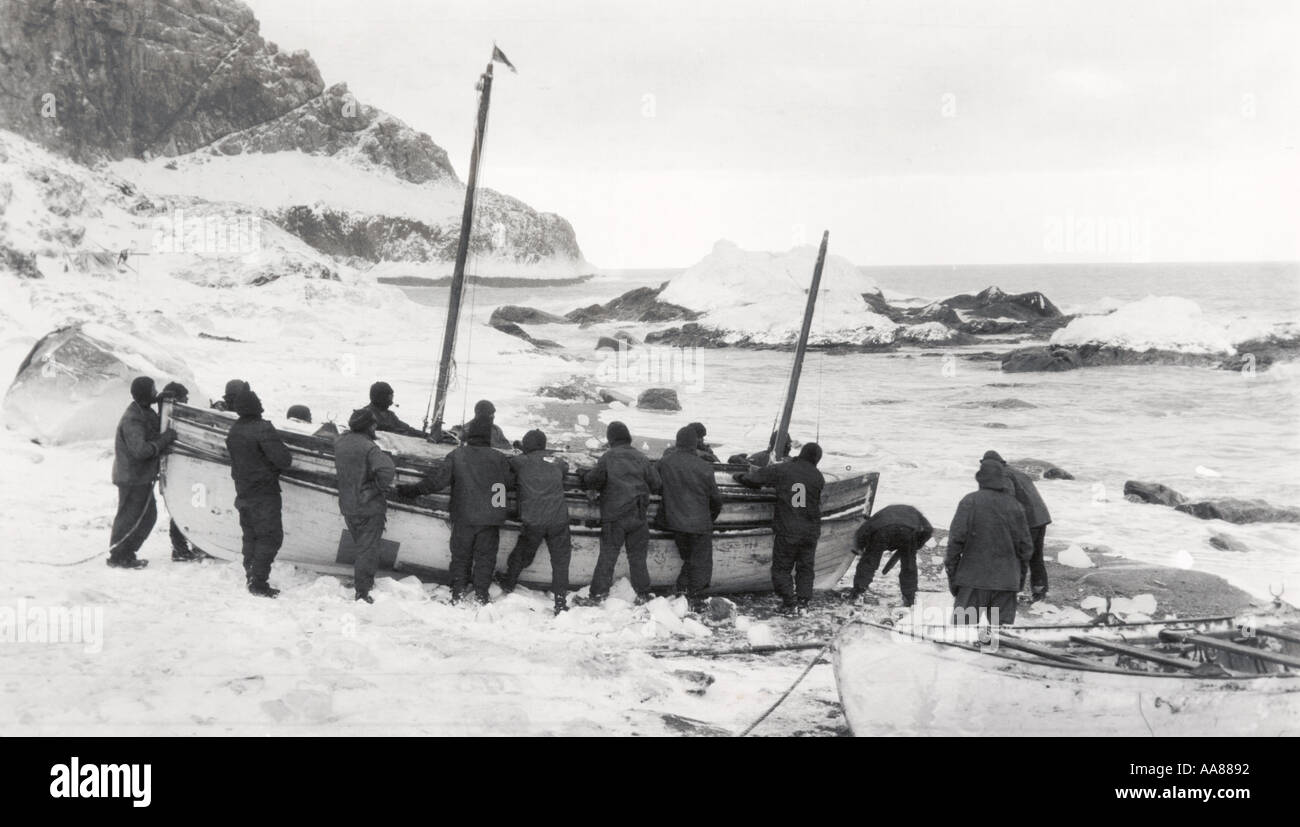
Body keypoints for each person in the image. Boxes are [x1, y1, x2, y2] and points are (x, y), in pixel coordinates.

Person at [397, 418, 514, 604]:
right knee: (485, 558)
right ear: (488, 437)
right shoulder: (500, 458)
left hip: (464, 515)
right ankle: (481, 596)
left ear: (468, 435)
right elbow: (508, 483)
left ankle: (458, 592)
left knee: (461, 556)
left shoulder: (457, 455)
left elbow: (437, 482)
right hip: (491, 518)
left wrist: (410, 490)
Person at [736, 442, 825, 615]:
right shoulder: (818, 477)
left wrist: (738, 476)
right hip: (811, 531)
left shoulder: (784, 469)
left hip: (789, 528)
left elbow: (755, 479)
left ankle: (789, 602)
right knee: (805, 568)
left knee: (781, 568)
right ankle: (803, 603)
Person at [945, 457, 1033, 626]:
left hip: (972, 580)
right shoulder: (1015, 505)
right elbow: (1026, 549)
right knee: (999, 640)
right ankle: (988, 648)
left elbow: (955, 543)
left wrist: (954, 578)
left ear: (980, 480)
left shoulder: (969, 501)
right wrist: (1018, 581)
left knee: (961, 637)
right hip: (1007, 582)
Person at [581, 421, 662, 604]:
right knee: (638, 559)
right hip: (638, 516)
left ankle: (597, 596)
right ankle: (643, 595)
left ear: (611, 439)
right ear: (628, 437)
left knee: (608, 558)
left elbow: (593, 481)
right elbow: (656, 484)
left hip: (615, 516)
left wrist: (582, 475)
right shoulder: (641, 457)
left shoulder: (608, 457)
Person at [225, 389, 293, 597]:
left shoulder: (234, 430)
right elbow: (284, 460)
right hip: (264, 492)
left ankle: (251, 574)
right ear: (255, 406)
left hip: (243, 491)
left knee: (250, 536)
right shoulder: (263, 429)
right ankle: (258, 582)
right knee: (271, 537)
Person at [498, 429, 572, 615]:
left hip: (533, 520)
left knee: (522, 553)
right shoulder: (556, 461)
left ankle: (508, 583)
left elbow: (508, 466)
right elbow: (564, 468)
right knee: (560, 562)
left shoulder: (521, 461)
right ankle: (560, 603)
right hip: (558, 519)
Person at [108, 377, 178, 569]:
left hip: (139, 477)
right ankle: (119, 555)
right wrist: (165, 440)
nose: (155, 393)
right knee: (130, 517)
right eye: (153, 390)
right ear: (145, 393)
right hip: (132, 477)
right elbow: (140, 451)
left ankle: (126, 553)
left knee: (145, 517)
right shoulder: (133, 418)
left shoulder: (144, 412)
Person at [334, 408, 397, 604]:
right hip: (369, 507)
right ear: (369, 426)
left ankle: (362, 584)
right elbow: (387, 469)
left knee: (361, 547)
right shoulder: (370, 448)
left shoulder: (340, 442)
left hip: (348, 505)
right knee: (367, 551)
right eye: (373, 424)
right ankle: (362, 593)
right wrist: (378, 487)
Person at [657, 426, 723, 608]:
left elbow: (654, 483)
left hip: (675, 524)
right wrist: (710, 518)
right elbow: (716, 500)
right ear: (695, 444)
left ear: (677, 442)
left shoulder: (665, 462)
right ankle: (695, 598)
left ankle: (681, 592)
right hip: (700, 524)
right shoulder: (705, 467)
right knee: (700, 564)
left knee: (688, 559)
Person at [981, 450, 1052, 602]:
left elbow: (1008, 500)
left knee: (1019, 556)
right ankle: (1040, 591)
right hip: (1041, 517)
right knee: (1036, 556)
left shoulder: (1003, 475)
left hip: (1028, 520)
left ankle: (1012, 593)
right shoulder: (1017, 472)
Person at [156, 382, 206, 562]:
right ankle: (180, 549)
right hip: (176, 471)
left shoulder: (165, 417)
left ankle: (185, 547)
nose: (186, 401)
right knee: (182, 509)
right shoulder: (170, 418)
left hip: (178, 470)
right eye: (184, 398)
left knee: (186, 508)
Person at [850, 504, 933, 606]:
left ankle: (858, 592)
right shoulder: (915, 512)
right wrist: (916, 544)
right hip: (908, 532)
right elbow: (929, 529)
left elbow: (861, 532)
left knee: (869, 561)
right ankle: (909, 599)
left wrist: (860, 548)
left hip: (883, 530)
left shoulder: (879, 516)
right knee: (908, 566)